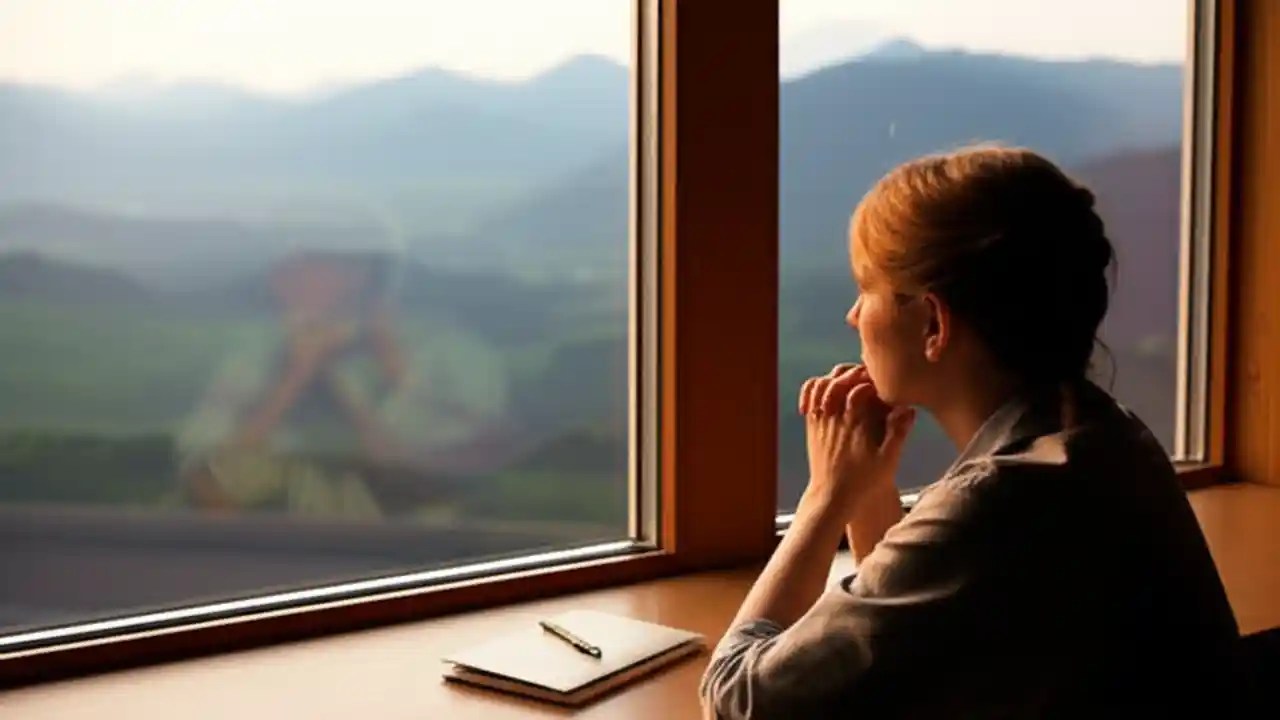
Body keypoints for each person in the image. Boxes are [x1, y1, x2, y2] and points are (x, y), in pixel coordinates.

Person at [700, 146, 1240, 717]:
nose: (853, 316)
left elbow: (737, 702)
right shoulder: (1109, 438)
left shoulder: (997, 502)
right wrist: (869, 489)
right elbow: (909, 625)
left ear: (933, 324)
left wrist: (825, 496)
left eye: (868, 289)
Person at [178, 250, 495, 519]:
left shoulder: (448, 351)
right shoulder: (255, 353)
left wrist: (392, 370)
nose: (283, 277)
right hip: (287, 552)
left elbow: (469, 464)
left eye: (309, 263)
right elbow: (205, 483)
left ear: (360, 276)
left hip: (418, 552)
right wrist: (294, 377)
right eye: (282, 264)